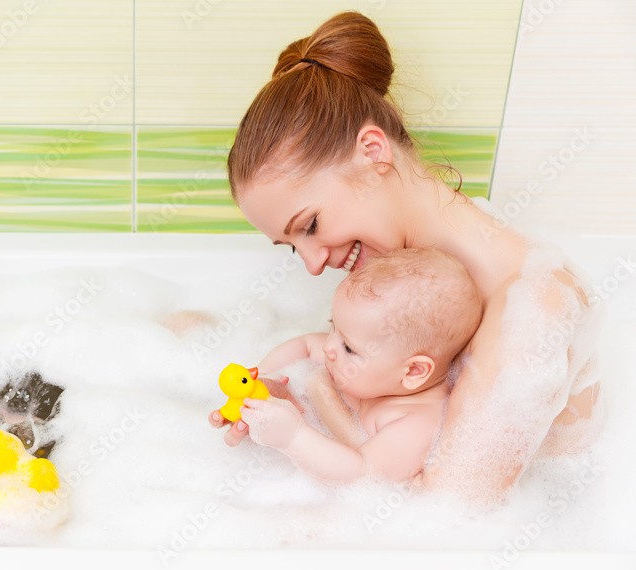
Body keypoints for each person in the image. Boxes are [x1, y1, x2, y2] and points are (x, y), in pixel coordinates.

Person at [211, 11, 602, 501]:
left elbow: (447, 524)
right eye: (293, 247)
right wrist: (291, 393)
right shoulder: (405, 283)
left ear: (374, 151)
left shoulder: (534, 308)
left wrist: (312, 425)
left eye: (310, 226)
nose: (313, 264)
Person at [231, 248, 482, 482]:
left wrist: (293, 437)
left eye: (348, 347)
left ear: (413, 372)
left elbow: (360, 474)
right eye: (332, 326)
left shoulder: (415, 424)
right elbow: (305, 345)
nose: (329, 347)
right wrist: (264, 378)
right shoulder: (360, 359)